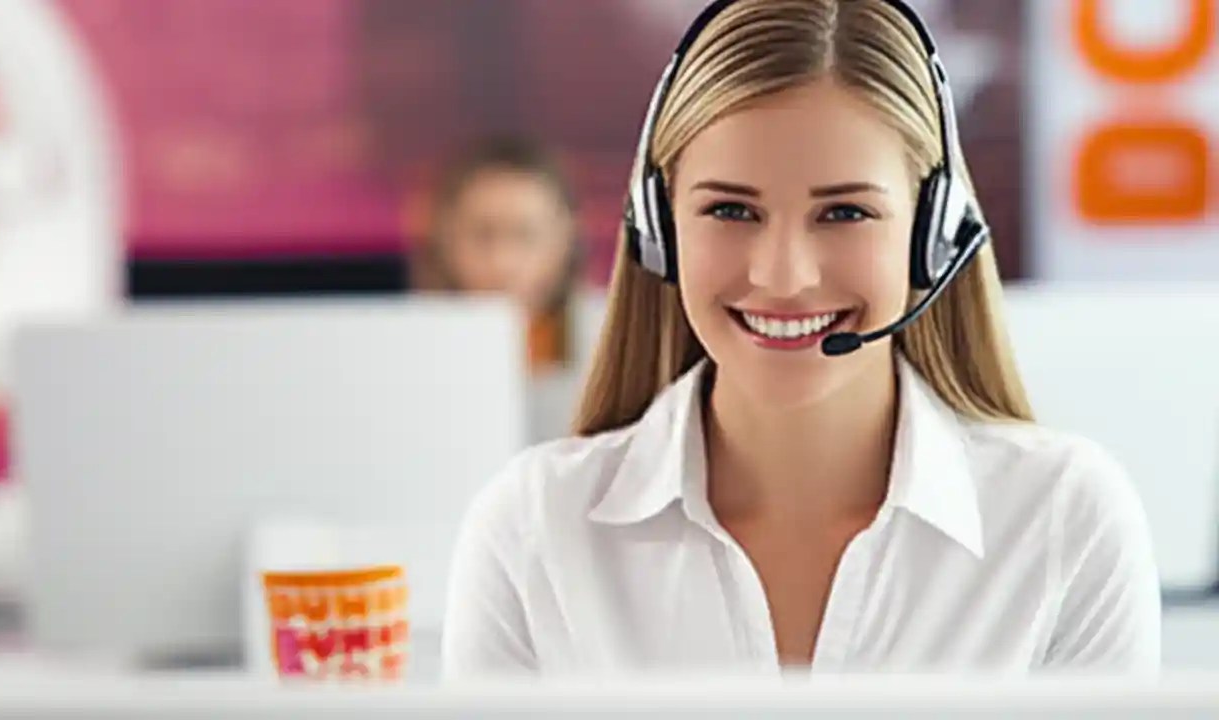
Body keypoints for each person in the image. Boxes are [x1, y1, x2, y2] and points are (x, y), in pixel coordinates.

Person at [441, 0, 1160, 677]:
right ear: (657, 229)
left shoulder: (1064, 519)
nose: (783, 276)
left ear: (934, 236)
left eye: (845, 213)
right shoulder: (534, 530)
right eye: (730, 209)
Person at [411, 136, 583, 373]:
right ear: (445, 237)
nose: (503, 262)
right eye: (482, 235)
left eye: (525, 235)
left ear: (565, 239)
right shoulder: (408, 351)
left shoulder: (613, 351)